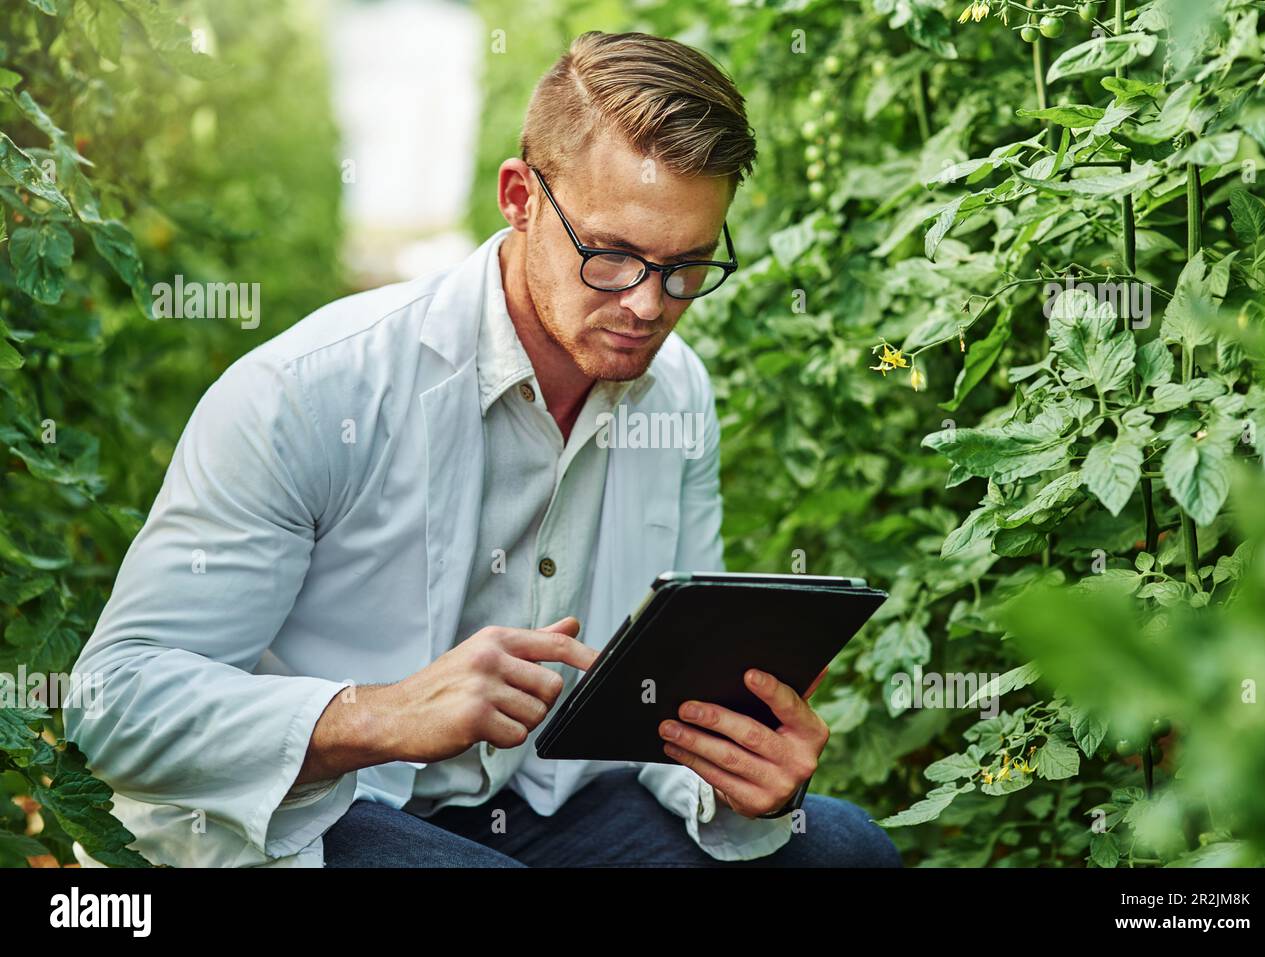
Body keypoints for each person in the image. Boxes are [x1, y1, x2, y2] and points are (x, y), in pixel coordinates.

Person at [63, 29, 902, 869]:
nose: (649, 305)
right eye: (613, 255)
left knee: (842, 851)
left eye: (687, 266)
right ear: (519, 197)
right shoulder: (310, 391)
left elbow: (665, 707)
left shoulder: (676, 393)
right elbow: (113, 701)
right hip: (315, 811)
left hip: (546, 806)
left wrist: (743, 780)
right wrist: (378, 713)